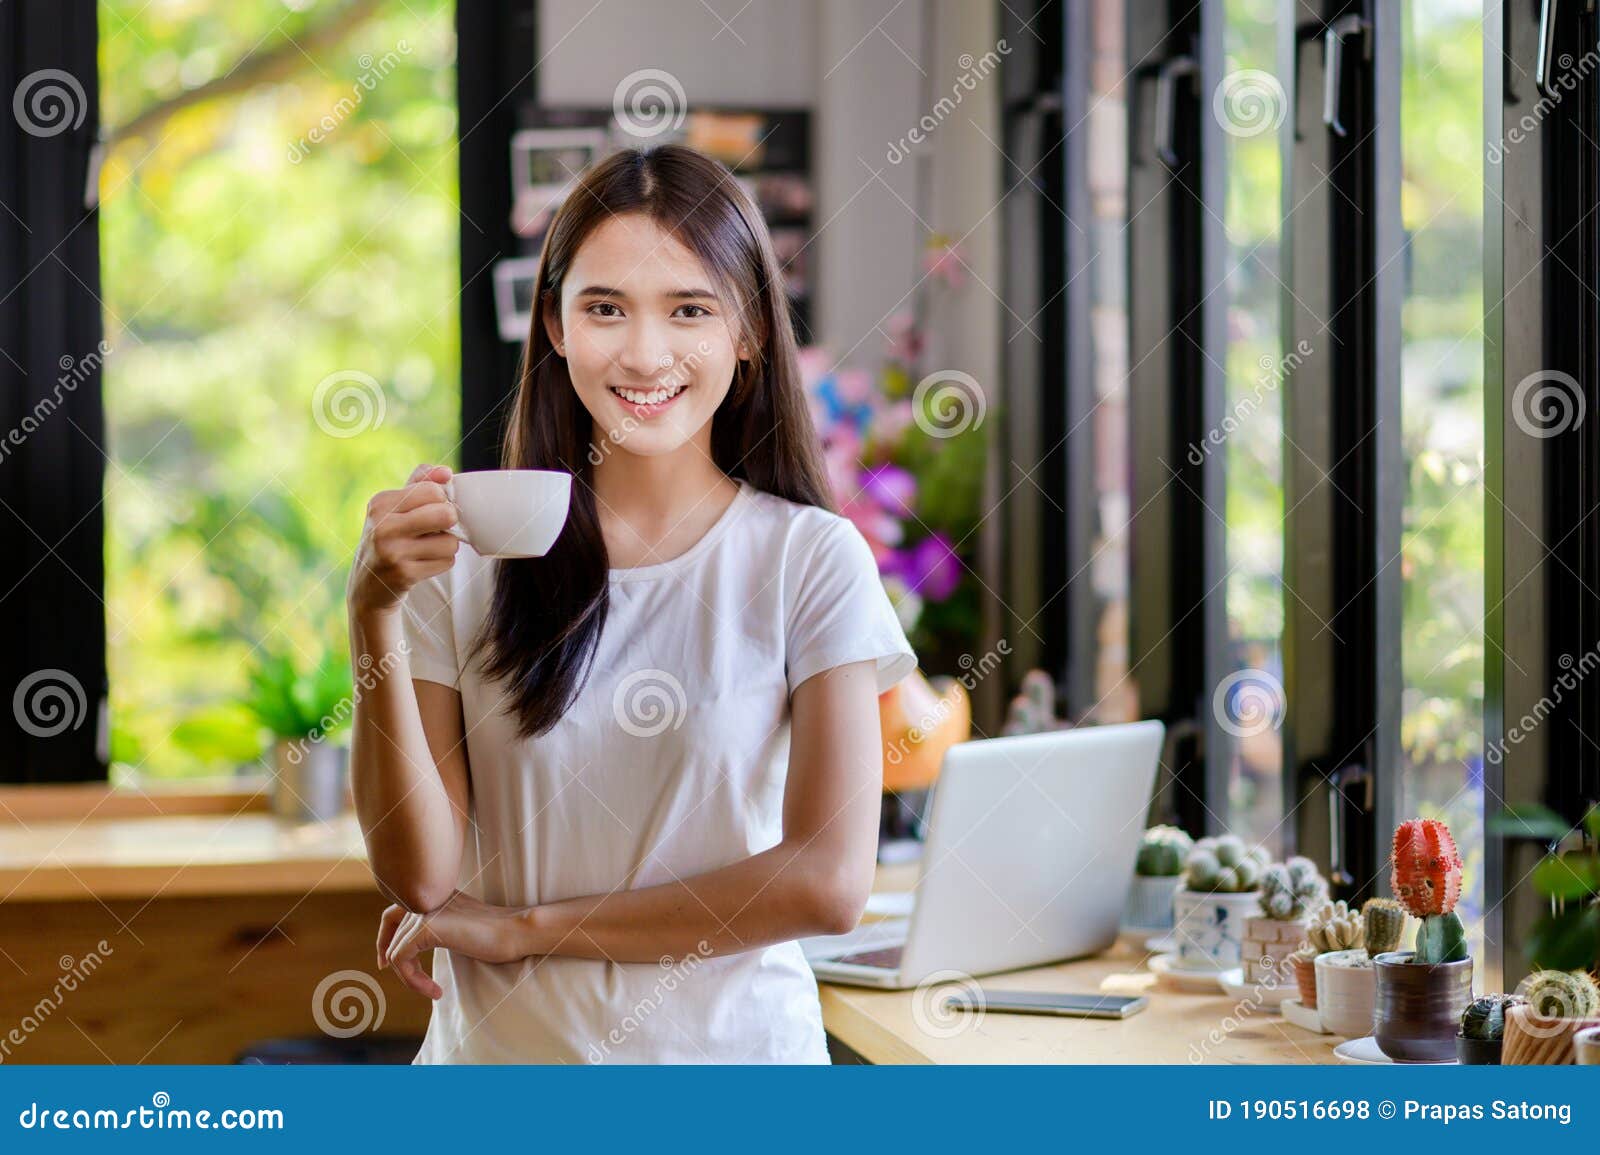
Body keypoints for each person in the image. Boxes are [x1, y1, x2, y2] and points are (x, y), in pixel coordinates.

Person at [345, 144, 917, 1063]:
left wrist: (528, 926)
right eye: (605, 308)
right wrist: (372, 613)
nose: (645, 353)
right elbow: (420, 874)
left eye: (689, 309)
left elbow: (827, 882)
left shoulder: (808, 559)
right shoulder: (462, 562)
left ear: (748, 330)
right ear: (557, 326)